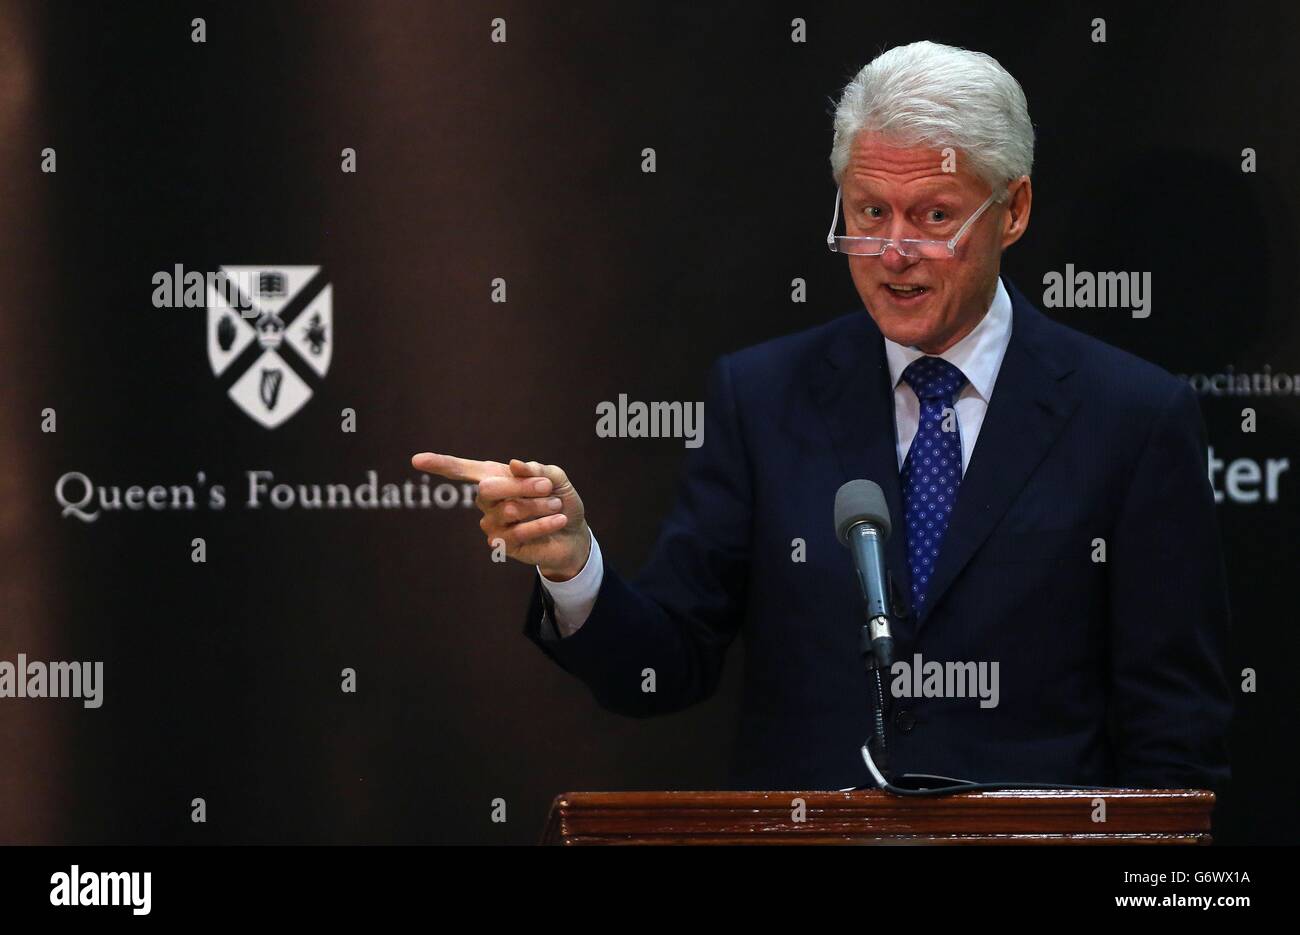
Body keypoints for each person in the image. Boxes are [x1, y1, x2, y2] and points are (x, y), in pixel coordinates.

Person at [413, 41, 1232, 793]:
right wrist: (572, 564)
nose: (894, 251)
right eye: (869, 214)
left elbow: (1174, 737)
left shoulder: (1132, 416)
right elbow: (663, 668)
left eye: (935, 216)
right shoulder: (765, 397)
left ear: (1012, 210)